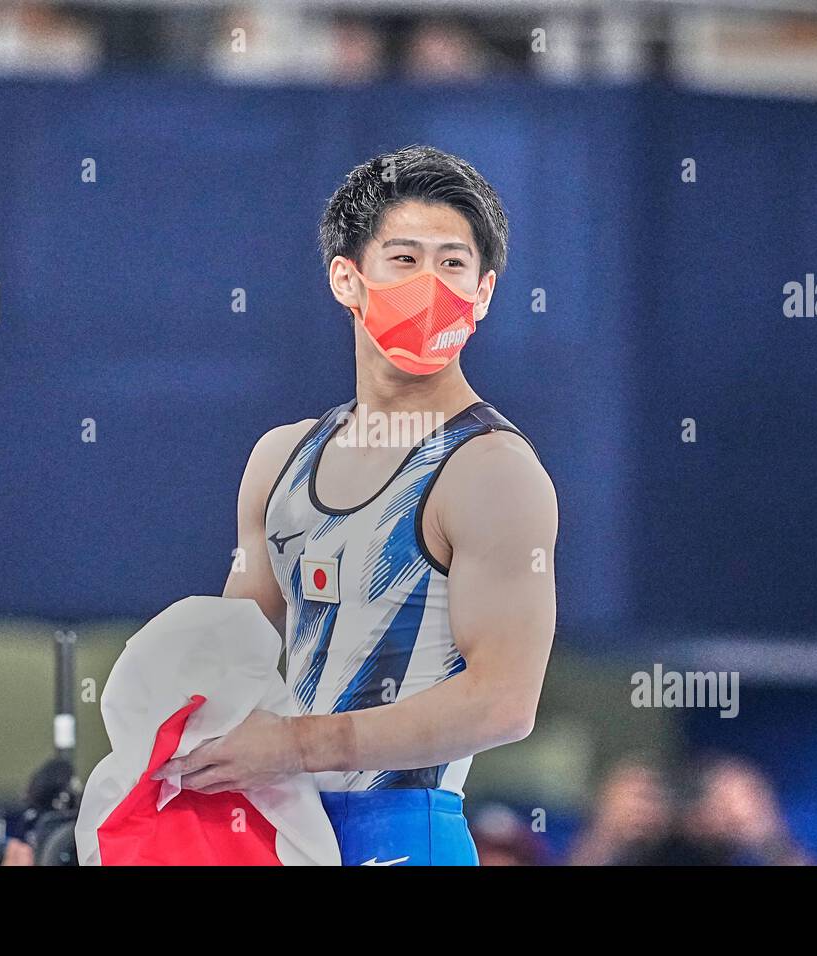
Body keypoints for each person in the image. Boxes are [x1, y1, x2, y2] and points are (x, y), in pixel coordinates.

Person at [162, 145, 559, 866]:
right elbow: (230, 654)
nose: (432, 284)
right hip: (283, 825)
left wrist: (289, 746)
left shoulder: (492, 471)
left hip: (404, 832)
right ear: (348, 279)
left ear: (486, 291)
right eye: (405, 260)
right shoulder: (279, 459)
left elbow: (505, 703)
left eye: (454, 264)